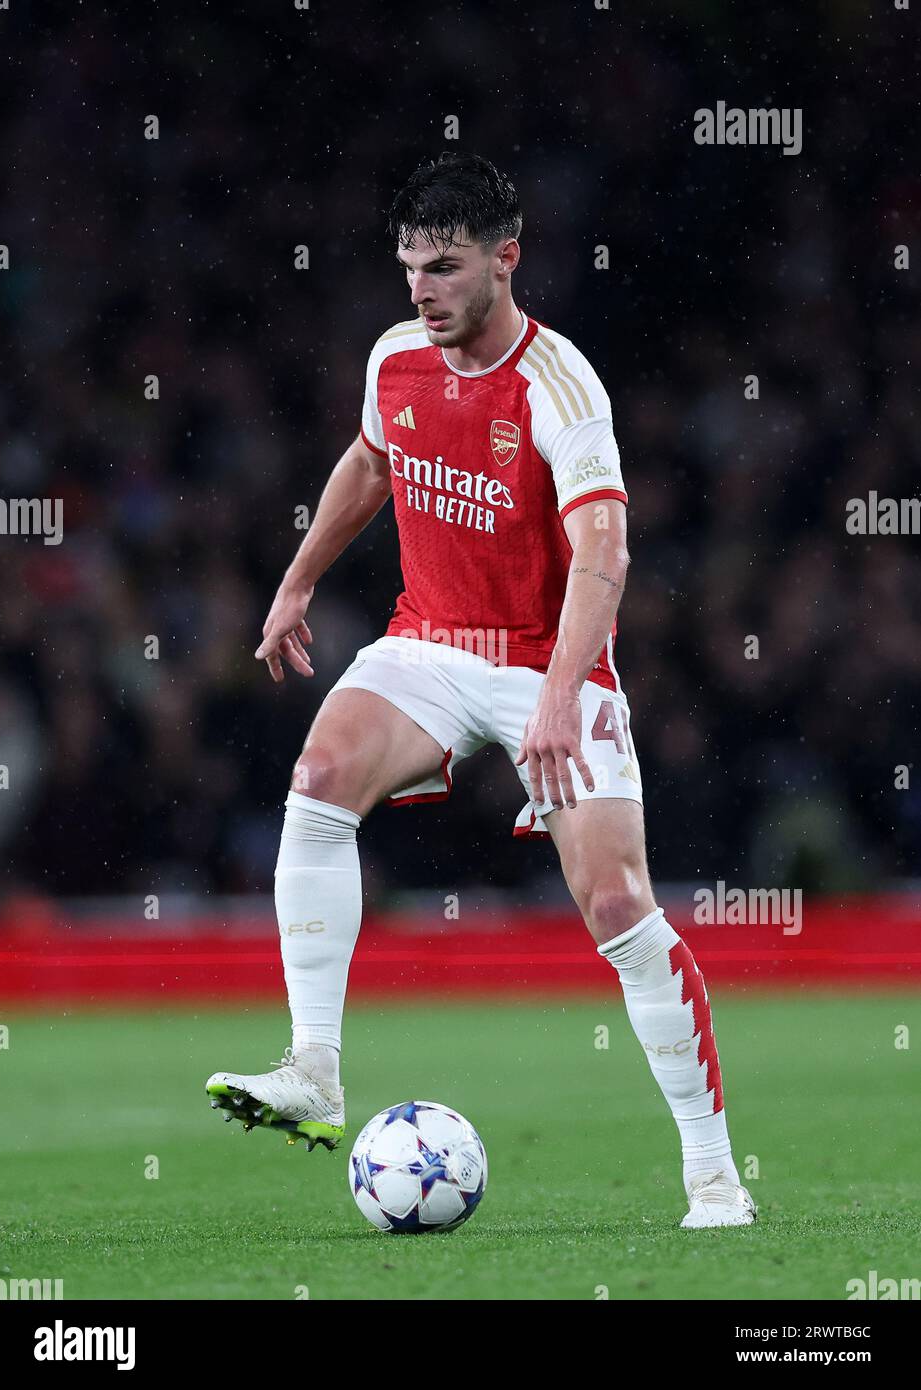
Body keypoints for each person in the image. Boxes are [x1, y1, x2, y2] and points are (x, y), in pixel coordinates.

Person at [206, 152, 755, 1228]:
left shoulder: (561, 385)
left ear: (506, 260)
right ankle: (314, 1065)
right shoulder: (395, 356)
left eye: (444, 268)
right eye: (409, 266)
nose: (421, 288)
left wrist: (555, 694)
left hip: (549, 657)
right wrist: (299, 576)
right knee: (317, 781)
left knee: (616, 906)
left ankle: (712, 1174)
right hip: (429, 641)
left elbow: (604, 552)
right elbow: (370, 464)